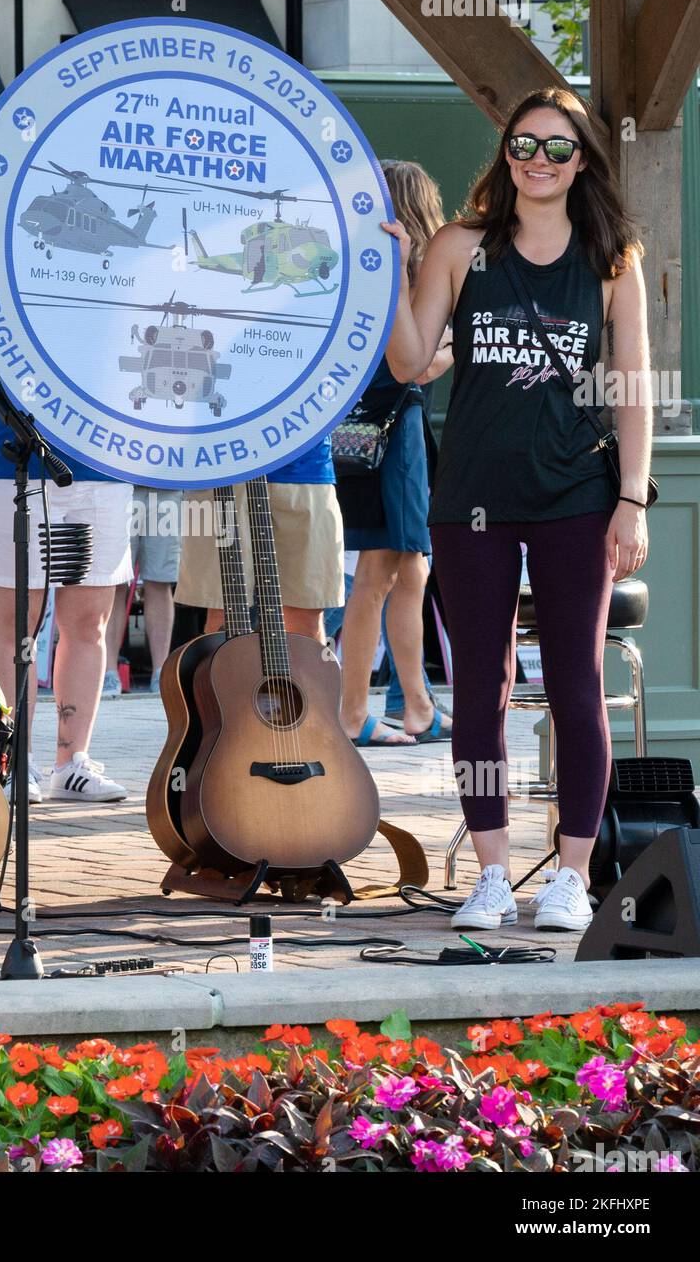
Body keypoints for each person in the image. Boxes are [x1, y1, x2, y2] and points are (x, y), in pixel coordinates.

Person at [383, 86, 651, 934]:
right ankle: (493, 873)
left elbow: (635, 390)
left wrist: (634, 503)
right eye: (523, 145)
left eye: (557, 148)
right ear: (505, 154)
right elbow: (409, 363)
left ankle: (571, 875)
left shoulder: (612, 255)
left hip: (577, 496)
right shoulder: (463, 246)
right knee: (482, 689)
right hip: (473, 501)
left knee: (577, 682)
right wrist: (390, 275)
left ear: (582, 163)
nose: (538, 161)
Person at [338, 160, 453, 747]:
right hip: (397, 434)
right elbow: (414, 363)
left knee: (406, 571)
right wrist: (455, 345)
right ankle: (358, 711)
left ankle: (414, 704)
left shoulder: (364, 267)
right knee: (384, 573)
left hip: (362, 434)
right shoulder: (406, 272)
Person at [0, 405, 132, 803]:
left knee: (89, 624)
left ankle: (72, 762)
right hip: (16, 462)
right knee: (16, 625)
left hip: (106, 463)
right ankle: (13, 760)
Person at [175, 437, 345, 643]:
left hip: (306, 465)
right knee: (223, 614)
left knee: (306, 619)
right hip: (221, 464)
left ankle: (299, 677)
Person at [103, 485, 182, 697]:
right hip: (119, 485)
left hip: (165, 484)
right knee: (115, 583)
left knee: (160, 581)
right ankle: (108, 672)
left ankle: (161, 673)